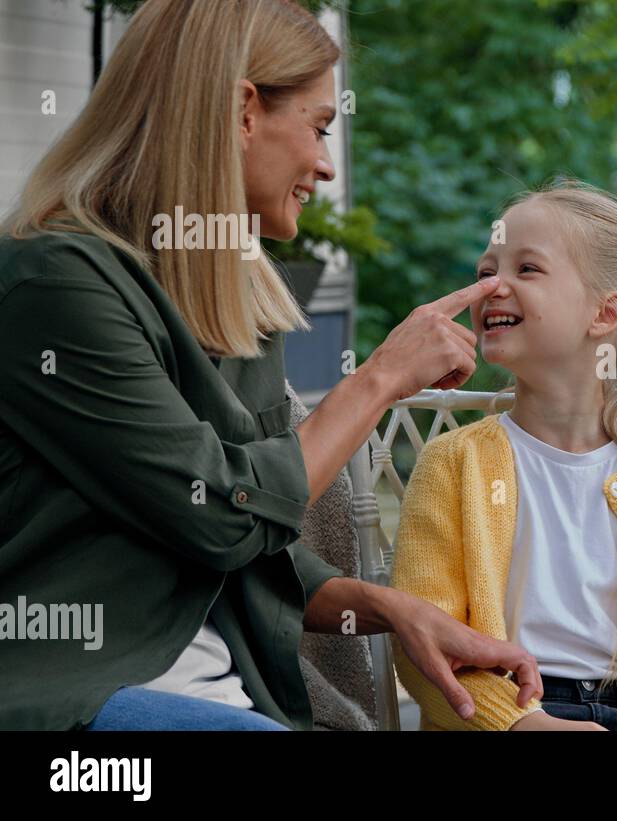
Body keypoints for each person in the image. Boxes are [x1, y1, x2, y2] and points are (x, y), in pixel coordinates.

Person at [0, 0, 540, 731]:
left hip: (233, 696)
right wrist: (381, 378)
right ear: (242, 111)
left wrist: (392, 608)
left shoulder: (235, 298)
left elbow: (249, 550)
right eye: (319, 126)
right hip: (80, 705)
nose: (324, 163)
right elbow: (220, 513)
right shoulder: (54, 283)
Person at [391, 181, 617, 730]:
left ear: (605, 313)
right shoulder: (454, 464)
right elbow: (423, 647)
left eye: (526, 270)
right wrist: (525, 725)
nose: (492, 288)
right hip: (511, 718)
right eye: (486, 271)